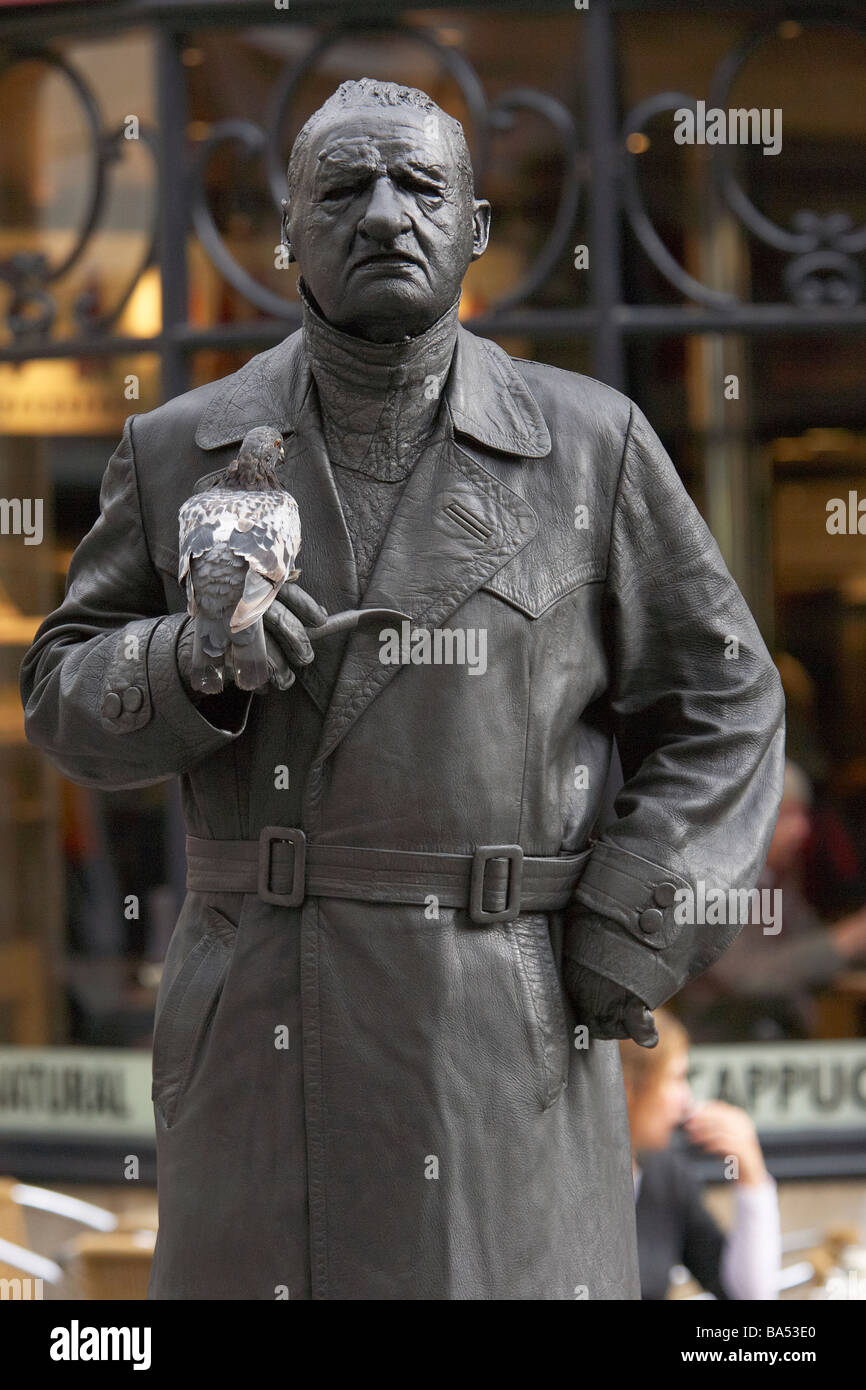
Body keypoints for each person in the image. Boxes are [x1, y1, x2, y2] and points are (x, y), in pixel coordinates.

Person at [20, 78, 785, 1300]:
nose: (385, 216)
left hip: (501, 1027)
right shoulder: (180, 446)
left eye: (421, 187)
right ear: (285, 233)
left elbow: (729, 703)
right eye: (344, 189)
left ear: (476, 228)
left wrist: (626, 928)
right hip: (263, 1028)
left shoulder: (589, 444)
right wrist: (193, 655)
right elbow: (59, 694)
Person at [679, 760, 866, 1041]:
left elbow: (810, 949)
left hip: (779, 1044)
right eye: (788, 815)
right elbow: (746, 977)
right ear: (747, 817)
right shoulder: (710, 882)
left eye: (804, 815)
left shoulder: (778, 880)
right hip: (719, 1047)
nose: (803, 828)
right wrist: (845, 940)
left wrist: (847, 945)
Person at [621, 1010, 781, 1300]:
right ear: (627, 1085)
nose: (687, 1100)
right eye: (677, 1077)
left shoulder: (665, 1176)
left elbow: (746, 1294)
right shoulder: (560, 1181)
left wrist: (751, 1177)